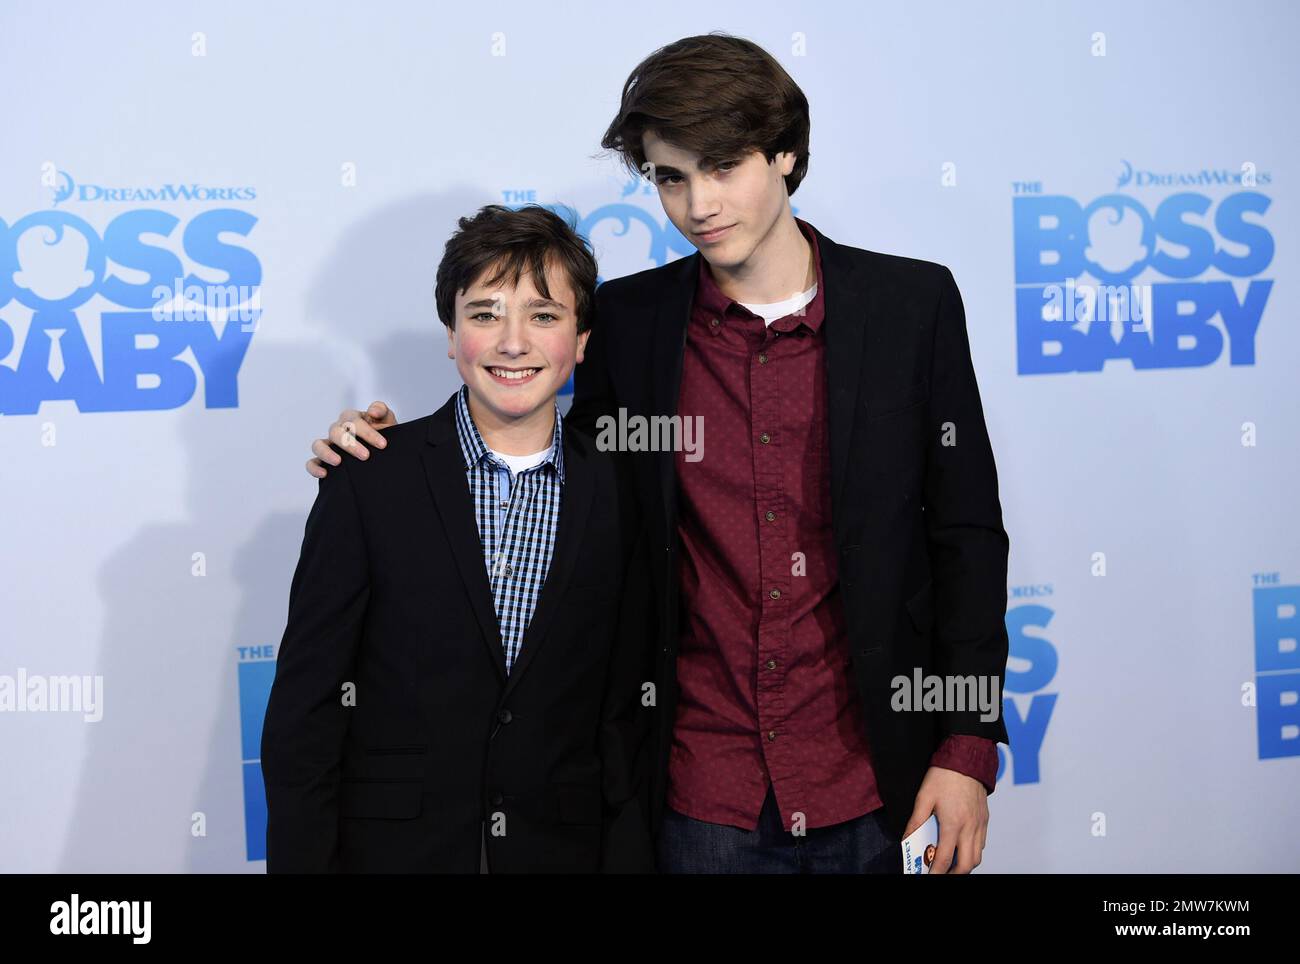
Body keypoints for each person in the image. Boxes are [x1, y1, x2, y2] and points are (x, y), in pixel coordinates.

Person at [307, 33, 1010, 875]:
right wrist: (386, 448)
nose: (698, 203)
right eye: (671, 178)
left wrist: (967, 742)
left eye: (722, 167)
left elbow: (967, 534)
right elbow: (548, 457)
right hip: (695, 791)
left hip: (871, 778)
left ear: (785, 152)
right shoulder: (633, 324)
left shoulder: (911, 306)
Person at [264, 204, 655, 873]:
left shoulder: (624, 490)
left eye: (543, 315)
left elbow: (626, 714)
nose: (512, 341)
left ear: (582, 340)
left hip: (563, 854)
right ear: (451, 334)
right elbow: (308, 712)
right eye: (484, 314)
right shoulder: (369, 478)